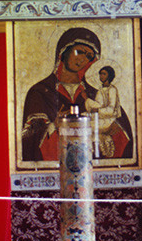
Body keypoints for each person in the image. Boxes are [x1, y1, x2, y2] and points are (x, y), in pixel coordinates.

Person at [21, 28, 106, 161]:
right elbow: (27, 138)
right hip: (51, 166)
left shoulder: (93, 94)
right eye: (79, 52)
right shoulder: (40, 91)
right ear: (63, 52)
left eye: (89, 56)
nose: (83, 59)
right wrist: (53, 125)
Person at [84, 65, 133, 159]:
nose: (101, 76)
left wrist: (97, 110)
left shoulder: (112, 90)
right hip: (101, 116)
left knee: (87, 125)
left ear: (109, 76)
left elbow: (111, 109)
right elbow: (98, 104)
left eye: (103, 74)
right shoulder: (100, 90)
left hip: (109, 118)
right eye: (100, 74)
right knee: (84, 116)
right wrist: (87, 100)